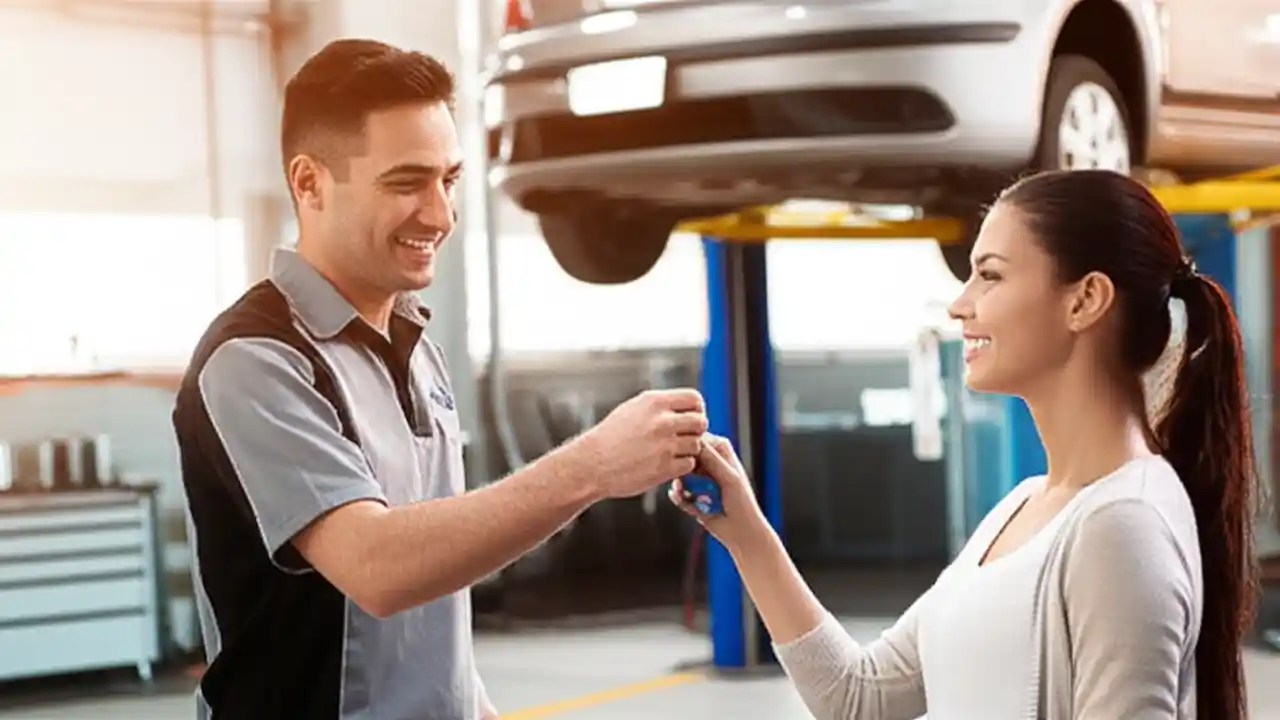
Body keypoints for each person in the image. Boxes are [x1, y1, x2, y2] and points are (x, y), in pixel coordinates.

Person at [171, 38, 708, 719]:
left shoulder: (419, 348)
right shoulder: (255, 359)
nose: (441, 214)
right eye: (406, 183)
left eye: (448, 180)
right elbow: (379, 569)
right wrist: (595, 465)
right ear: (309, 184)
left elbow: (431, 619)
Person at [673, 169, 1258, 719]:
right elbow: (858, 695)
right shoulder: (1027, 505)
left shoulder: (1121, 524)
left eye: (991, 275)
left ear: (1084, 301)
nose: (960, 304)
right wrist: (743, 529)